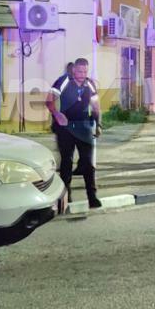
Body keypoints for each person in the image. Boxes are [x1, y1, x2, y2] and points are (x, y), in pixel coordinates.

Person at [46, 58, 102, 209]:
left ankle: (92, 197)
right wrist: (57, 115)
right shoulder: (63, 81)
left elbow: (96, 106)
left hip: (83, 128)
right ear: (73, 70)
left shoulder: (89, 83)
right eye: (79, 71)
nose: (82, 74)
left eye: (85, 71)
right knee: (66, 162)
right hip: (65, 129)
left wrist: (98, 124)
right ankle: (66, 196)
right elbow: (49, 100)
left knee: (88, 164)